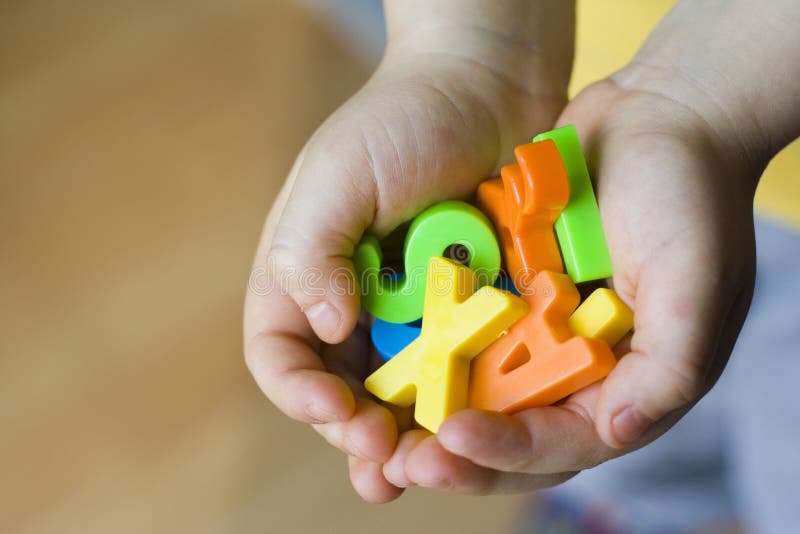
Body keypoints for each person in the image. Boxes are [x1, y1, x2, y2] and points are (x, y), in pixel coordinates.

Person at [244, 1, 800, 531]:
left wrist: (704, 102)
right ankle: (623, 510)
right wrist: (469, 55)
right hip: (606, 109)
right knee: (629, 431)